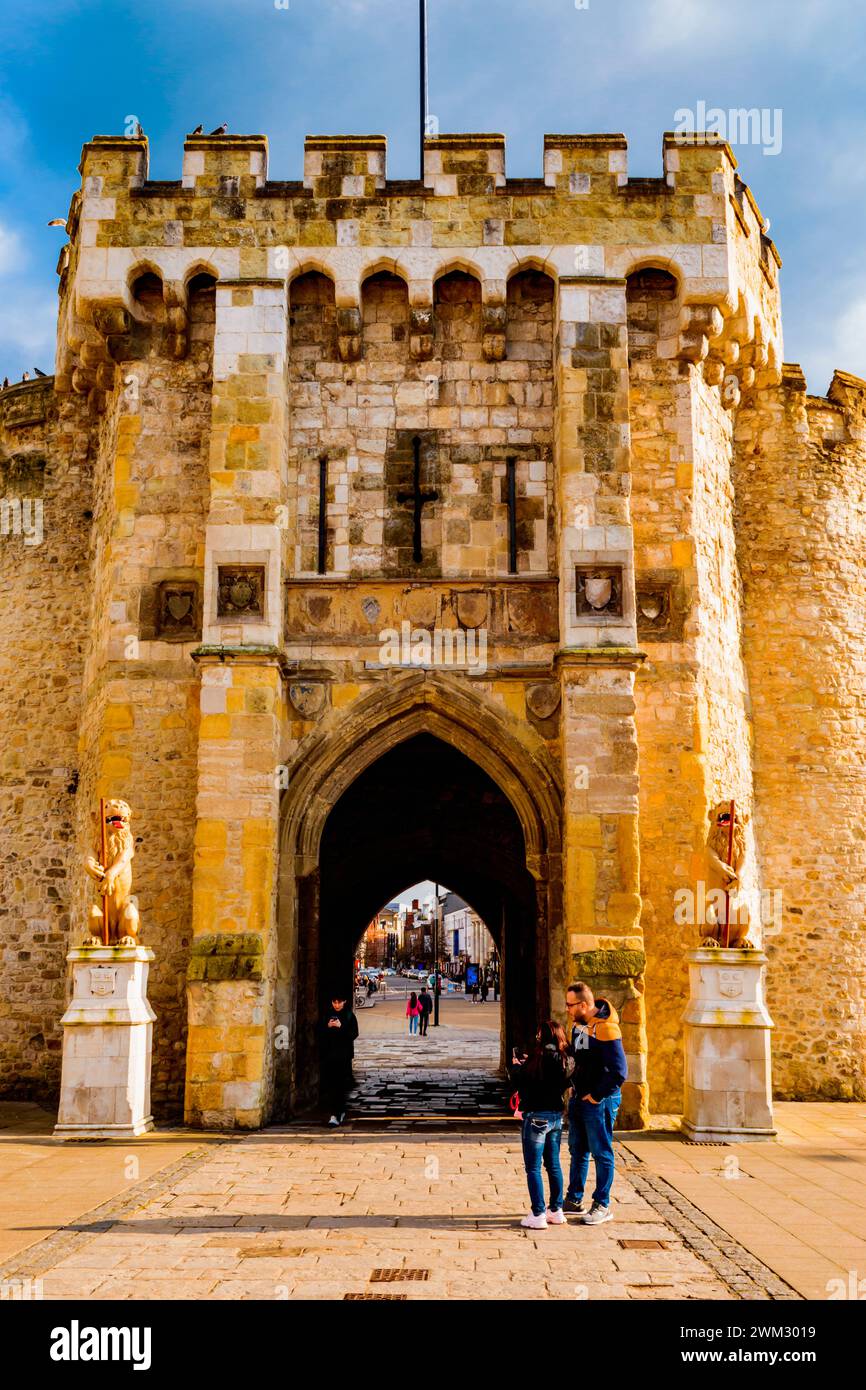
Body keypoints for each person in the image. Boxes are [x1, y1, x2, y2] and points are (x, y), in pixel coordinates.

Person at [563, 981, 628, 1225]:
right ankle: (574, 1199)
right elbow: (577, 1059)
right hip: (580, 1097)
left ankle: (602, 1204)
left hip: (599, 1101)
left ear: (583, 1004)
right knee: (577, 1150)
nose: (567, 1009)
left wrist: (597, 1095)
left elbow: (619, 1071)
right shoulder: (578, 1026)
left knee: (601, 1152)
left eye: (570, 1005)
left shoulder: (607, 1029)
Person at [509, 1021, 574, 1229]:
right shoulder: (565, 1059)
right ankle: (555, 1210)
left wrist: (516, 1066)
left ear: (543, 1037)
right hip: (556, 1116)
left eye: (538, 1035)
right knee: (553, 1165)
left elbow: (519, 1080)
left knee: (533, 1167)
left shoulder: (537, 1060)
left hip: (536, 1116)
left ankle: (537, 1213)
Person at [319, 992, 359, 1128]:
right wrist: (327, 1027)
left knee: (341, 1085)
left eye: (339, 1002)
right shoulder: (326, 1015)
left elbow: (354, 1034)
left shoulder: (349, 1016)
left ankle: (338, 1112)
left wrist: (341, 1028)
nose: (336, 1005)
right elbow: (318, 1032)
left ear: (344, 1002)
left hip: (343, 1056)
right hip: (329, 1055)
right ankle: (335, 1113)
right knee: (331, 1085)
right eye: (334, 1002)